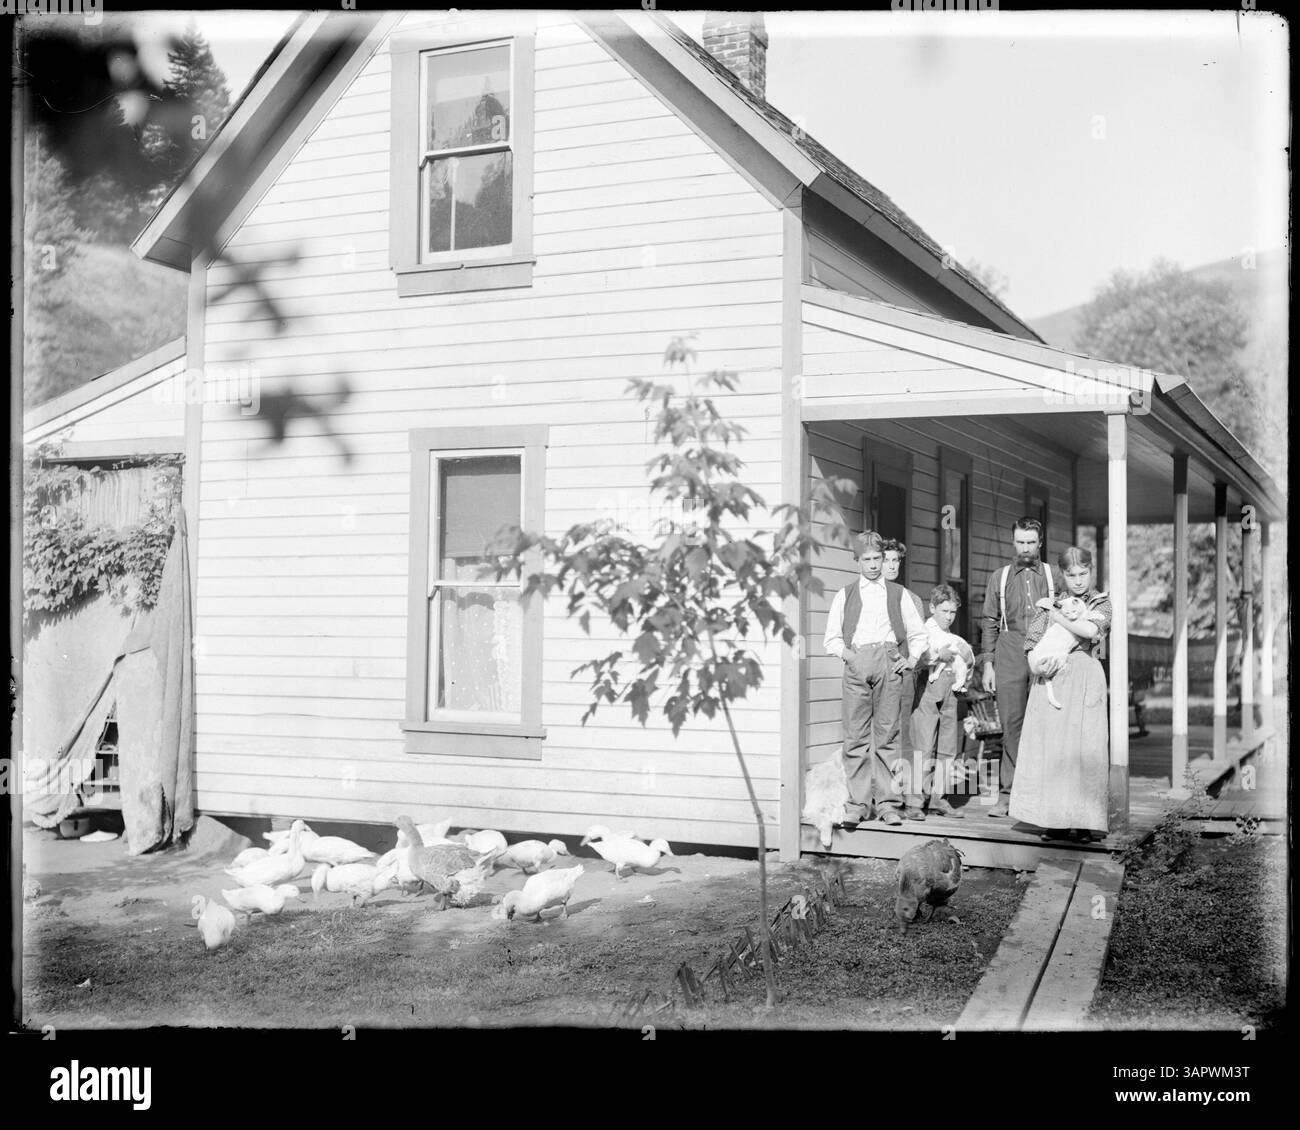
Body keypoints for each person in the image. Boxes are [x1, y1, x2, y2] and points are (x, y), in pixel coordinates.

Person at [824, 531, 929, 826]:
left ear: (883, 559)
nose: (872, 565)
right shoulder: (845, 594)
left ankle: (888, 804)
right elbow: (831, 638)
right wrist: (850, 657)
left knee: (888, 736)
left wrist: (910, 660)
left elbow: (918, 633)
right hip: (857, 663)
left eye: (877, 559)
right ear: (857, 561)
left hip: (888, 662)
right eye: (866, 559)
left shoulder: (898, 594)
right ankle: (858, 804)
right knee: (855, 738)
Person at [1010, 547, 1112, 841]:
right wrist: (1037, 665)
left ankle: (1083, 821)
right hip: (1051, 678)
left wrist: (1057, 615)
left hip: (1084, 678)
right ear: (1062, 576)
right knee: (1053, 749)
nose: (1078, 580)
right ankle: (1054, 820)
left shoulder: (1101, 602)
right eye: (1071, 575)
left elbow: (1090, 630)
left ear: (1091, 571)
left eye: (1083, 573)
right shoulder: (1050, 605)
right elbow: (1032, 643)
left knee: (1084, 749)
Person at [979, 517, 1066, 816]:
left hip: (1047, 648)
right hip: (1010, 650)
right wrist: (988, 664)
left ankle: (1046, 793)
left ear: (1040, 542)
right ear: (1013, 542)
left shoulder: (1055, 576)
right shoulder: (1000, 577)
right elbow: (989, 621)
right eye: (1020, 542)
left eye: (1031, 542)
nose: (1025, 548)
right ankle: (1009, 794)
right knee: (1012, 724)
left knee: (1049, 723)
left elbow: (1071, 615)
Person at [907, 584, 976, 818]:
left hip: (950, 690)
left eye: (953, 612)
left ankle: (939, 798)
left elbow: (966, 659)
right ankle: (915, 802)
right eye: (944, 611)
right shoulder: (923, 631)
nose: (949, 617)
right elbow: (916, 659)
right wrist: (938, 655)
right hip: (928, 688)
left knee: (948, 746)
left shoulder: (953, 637)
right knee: (924, 745)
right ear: (932, 608)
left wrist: (967, 661)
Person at [882, 539, 926, 782]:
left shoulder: (911, 599)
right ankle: (879, 788)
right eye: (886, 560)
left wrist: (910, 660)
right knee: (880, 729)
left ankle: (906, 789)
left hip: (903, 673)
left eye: (895, 560)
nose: (891, 566)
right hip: (876, 671)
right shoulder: (866, 596)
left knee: (904, 729)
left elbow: (919, 638)